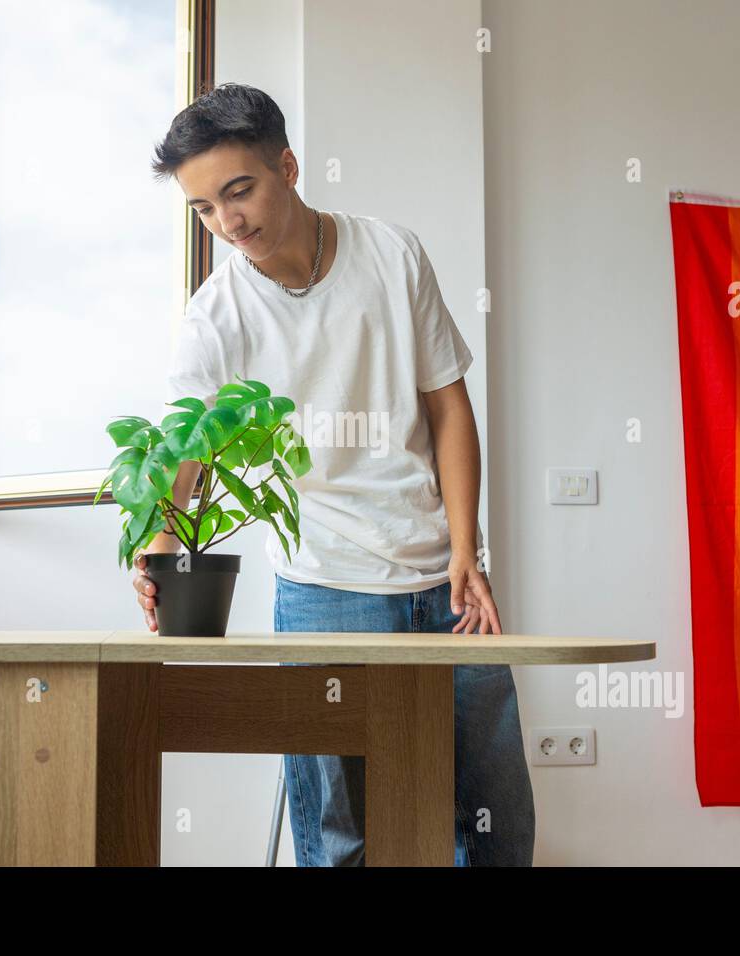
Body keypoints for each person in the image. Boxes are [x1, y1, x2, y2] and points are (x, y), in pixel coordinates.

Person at [132, 82, 534, 866]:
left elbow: (449, 408)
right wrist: (155, 535)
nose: (228, 223)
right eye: (205, 209)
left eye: (238, 191)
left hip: (444, 582)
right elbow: (184, 445)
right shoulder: (216, 316)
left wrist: (464, 551)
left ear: (286, 165)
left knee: (492, 828)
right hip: (322, 591)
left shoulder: (392, 253)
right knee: (344, 842)